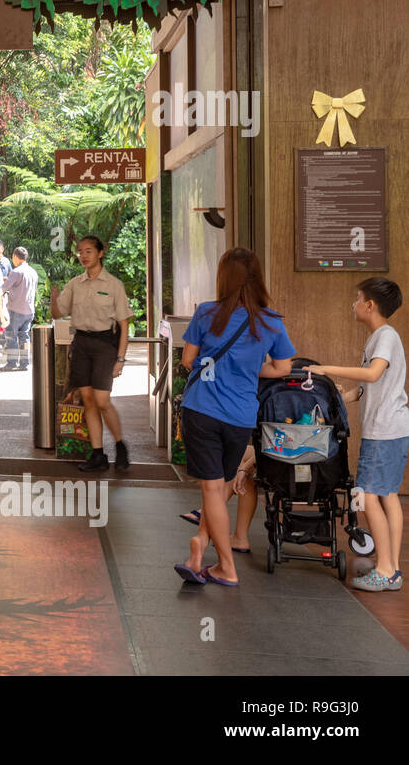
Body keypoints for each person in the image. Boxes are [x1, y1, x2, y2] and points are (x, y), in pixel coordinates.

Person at [174, 248, 295, 587]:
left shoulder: (205, 313)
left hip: (202, 410)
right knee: (219, 486)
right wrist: (252, 368)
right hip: (240, 416)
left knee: (212, 490)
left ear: (223, 277)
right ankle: (200, 546)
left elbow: (188, 360)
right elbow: (284, 367)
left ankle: (224, 565)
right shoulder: (270, 320)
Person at [311, 277, 408, 592]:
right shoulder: (379, 339)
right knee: (387, 495)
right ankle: (391, 568)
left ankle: (384, 569)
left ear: (370, 305)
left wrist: (327, 369)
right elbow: (366, 387)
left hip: (384, 432)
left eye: (357, 299)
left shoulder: (385, 336)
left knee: (364, 496)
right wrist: (340, 394)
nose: (353, 304)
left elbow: (373, 373)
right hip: (392, 430)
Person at [50, 235, 133, 472]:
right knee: (88, 400)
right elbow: (58, 314)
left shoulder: (113, 285)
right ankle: (98, 454)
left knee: (102, 400)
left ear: (100, 253)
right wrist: (53, 300)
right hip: (82, 344)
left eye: (88, 251)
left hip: (105, 344)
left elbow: (124, 324)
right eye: (80, 251)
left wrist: (120, 359)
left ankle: (120, 445)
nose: (83, 255)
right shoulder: (75, 283)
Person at [3, 247, 38, 371]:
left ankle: (11, 363)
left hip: (15, 310)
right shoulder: (33, 271)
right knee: (24, 337)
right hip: (29, 310)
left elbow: (4, 287)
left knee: (11, 336)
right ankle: (24, 364)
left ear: (15, 257)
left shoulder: (16, 271)